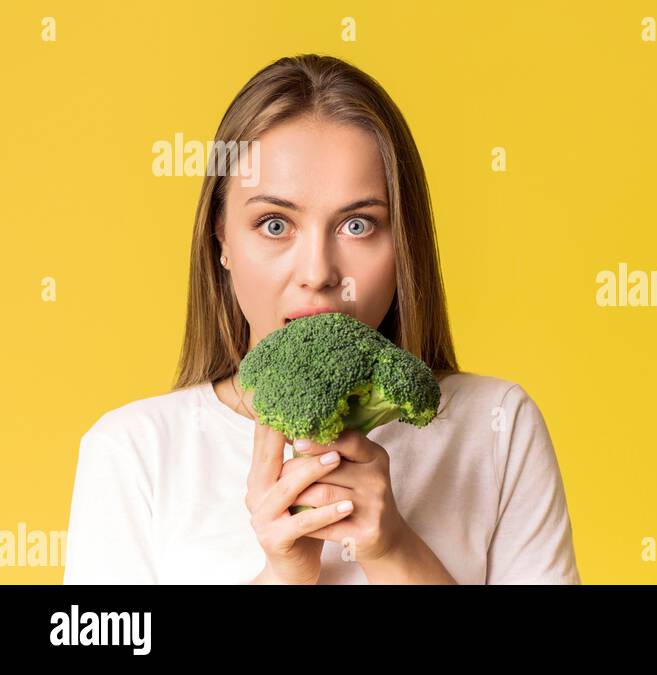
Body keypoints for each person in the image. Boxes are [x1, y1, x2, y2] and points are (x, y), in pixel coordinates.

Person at [63, 54, 580, 584]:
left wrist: (393, 549)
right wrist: (283, 574)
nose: (318, 273)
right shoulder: (133, 452)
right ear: (221, 239)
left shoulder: (496, 426)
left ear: (404, 241)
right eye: (274, 224)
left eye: (357, 225)